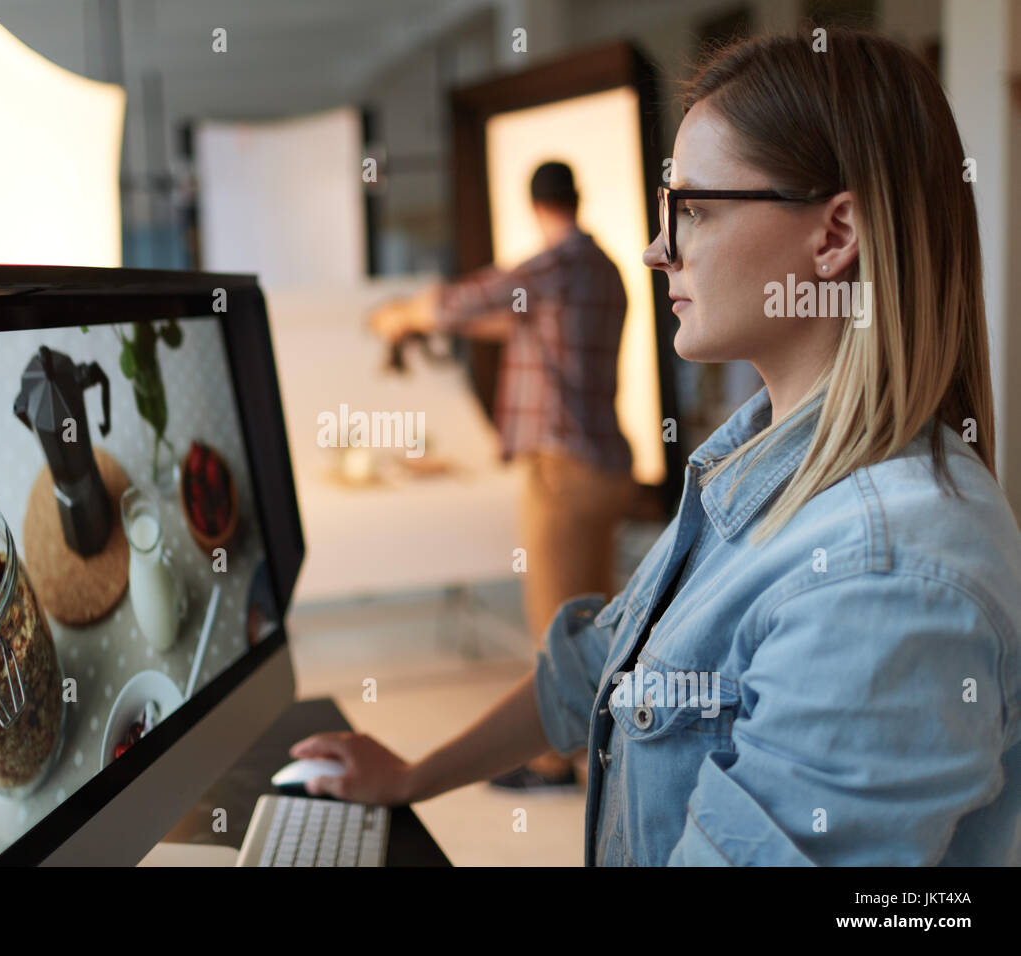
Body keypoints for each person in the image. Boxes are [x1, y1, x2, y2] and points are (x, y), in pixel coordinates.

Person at [295, 28, 1021, 865]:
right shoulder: (750, 464)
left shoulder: (883, 579)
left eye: (697, 211)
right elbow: (597, 670)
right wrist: (414, 775)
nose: (658, 248)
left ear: (833, 237)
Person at [370, 161, 637, 791]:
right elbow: (518, 320)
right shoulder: (603, 271)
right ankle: (609, 748)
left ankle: (552, 760)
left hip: (563, 471)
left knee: (555, 623)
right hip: (605, 466)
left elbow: (472, 298)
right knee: (600, 623)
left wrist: (403, 314)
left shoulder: (556, 264)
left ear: (535, 204)